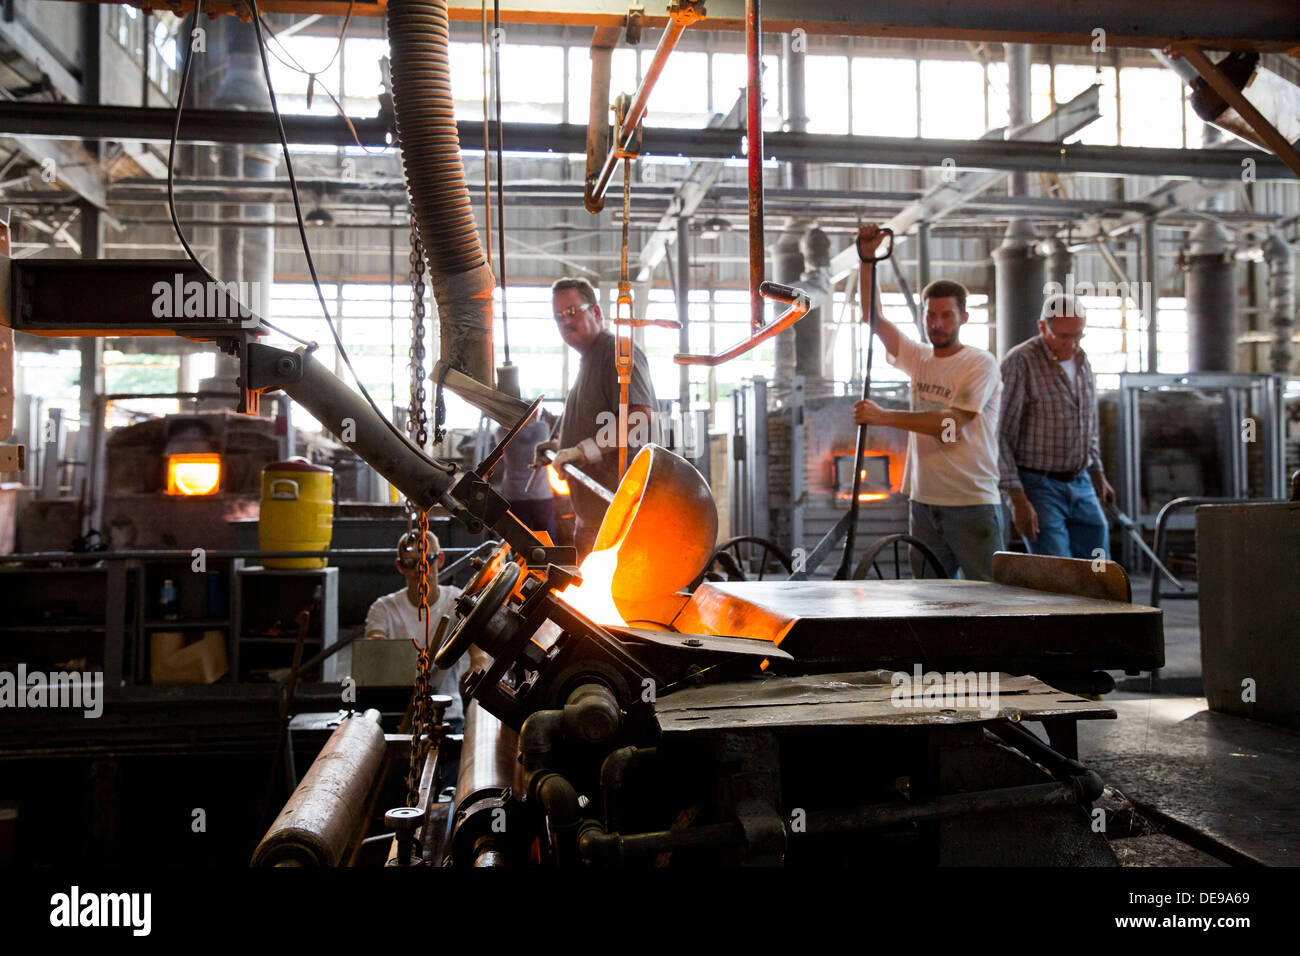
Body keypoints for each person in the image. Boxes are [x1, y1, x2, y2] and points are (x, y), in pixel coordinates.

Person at [851, 224, 1005, 581]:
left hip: (971, 502)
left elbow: (950, 423)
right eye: (931, 315)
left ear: (963, 318)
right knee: (929, 599)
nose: (936, 323)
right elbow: (872, 318)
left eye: (946, 315)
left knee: (990, 601)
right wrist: (867, 260)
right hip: (923, 502)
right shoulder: (919, 358)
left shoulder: (979, 363)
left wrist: (885, 417)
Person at [534, 276, 656, 559]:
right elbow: (590, 425)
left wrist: (580, 451)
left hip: (618, 523)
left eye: (572, 312)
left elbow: (638, 418)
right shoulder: (588, 362)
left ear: (597, 312)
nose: (565, 321)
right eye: (558, 317)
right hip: (592, 522)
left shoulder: (617, 353)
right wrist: (558, 448)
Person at [998, 293, 1117, 560]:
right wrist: (1017, 498)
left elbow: (1088, 424)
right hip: (1038, 485)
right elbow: (1000, 435)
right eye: (1064, 337)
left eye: (1079, 335)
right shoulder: (1020, 362)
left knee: (1098, 561)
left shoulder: (1083, 362)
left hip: (1081, 480)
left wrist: (1097, 472)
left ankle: (1097, 603)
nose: (1072, 344)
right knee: (1056, 567)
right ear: (1043, 327)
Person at [364, 529, 467, 724]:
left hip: (447, 713)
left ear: (440, 559)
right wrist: (379, 648)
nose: (419, 570)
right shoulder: (383, 608)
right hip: (398, 713)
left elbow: (476, 642)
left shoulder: (457, 602)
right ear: (400, 566)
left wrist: (479, 663)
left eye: (427, 560)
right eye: (411, 564)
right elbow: (374, 649)